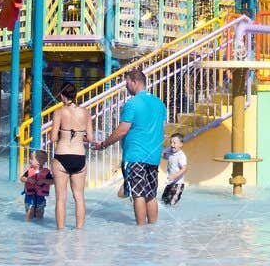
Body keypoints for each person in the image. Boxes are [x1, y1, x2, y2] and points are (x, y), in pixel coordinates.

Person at [92, 68, 166, 226]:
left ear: (135, 82)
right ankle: (153, 230)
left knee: (138, 194)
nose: (126, 87)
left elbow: (122, 130)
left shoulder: (132, 104)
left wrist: (104, 144)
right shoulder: (159, 103)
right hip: (153, 156)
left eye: (127, 83)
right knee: (151, 194)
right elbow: (161, 128)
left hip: (135, 155)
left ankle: (140, 231)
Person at [49, 84, 90, 230]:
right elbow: (90, 138)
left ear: (62, 96)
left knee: (61, 198)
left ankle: (60, 232)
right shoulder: (85, 112)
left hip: (62, 156)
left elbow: (53, 138)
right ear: (75, 95)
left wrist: (63, 133)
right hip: (79, 157)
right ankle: (80, 231)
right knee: (79, 197)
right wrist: (78, 135)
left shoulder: (59, 112)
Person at [21, 149, 54, 220]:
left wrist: (44, 181)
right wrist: (28, 179)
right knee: (29, 212)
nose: (30, 161)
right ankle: (28, 224)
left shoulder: (46, 172)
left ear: (40, 161)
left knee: (40, 213)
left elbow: (52, 181)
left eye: (32, 159)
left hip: (40, 197)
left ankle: (39, 224)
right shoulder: (29, 171)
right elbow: (22, 178)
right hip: (29, 196)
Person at [162, 132, 188, 206]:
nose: (172, 145)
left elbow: (185, 168)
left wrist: (175, 176)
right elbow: (165, 156)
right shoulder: (170, 152)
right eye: (171, 142)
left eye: (174, 143)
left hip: (178, 184)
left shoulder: (181, 156)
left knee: (171, 204)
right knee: (163, 201)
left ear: (181, 144)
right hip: (170, 183)